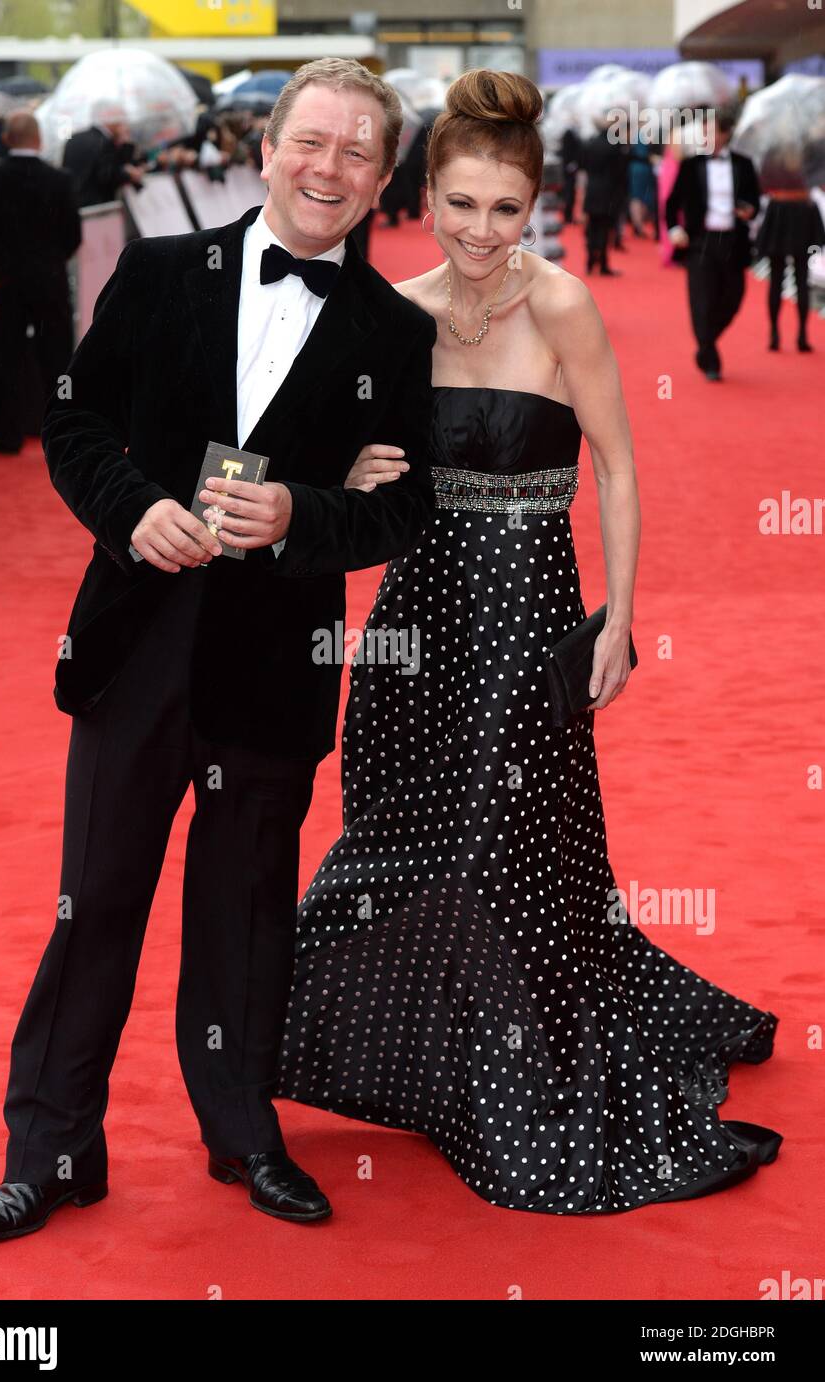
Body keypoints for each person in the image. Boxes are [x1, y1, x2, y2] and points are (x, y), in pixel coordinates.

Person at [275, 69, 782, 1214]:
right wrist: (349, 471)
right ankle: (382, 1053)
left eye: (504, 210)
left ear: (536, 206)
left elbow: (616, 465)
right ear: (427, 195)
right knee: (397, 832)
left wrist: (623, 617)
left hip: (527, 614)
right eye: (459, 205)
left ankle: (523, 1069)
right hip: (418, 615)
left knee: (507, 844)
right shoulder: (393, 313)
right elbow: (342, 469)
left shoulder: (560, 307)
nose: (479, 232)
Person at [0, 58, 436, 1241]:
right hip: (141, 637)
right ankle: (51, 1147)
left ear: (380, 180)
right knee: (96, 896)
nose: (328, 168)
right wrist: (130, 508)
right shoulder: (162, 272)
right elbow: (73, 416)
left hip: (275, 662)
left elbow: (403, 507)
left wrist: (303, 517)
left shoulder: (392, 331)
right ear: (265, 148)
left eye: (355, 153)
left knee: (248, 909)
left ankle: (243, 1132)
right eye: (309, 142)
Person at [0, 110, 82, 455]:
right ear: (39, 139)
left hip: (6, 280)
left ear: (7, 139)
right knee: (58, 359)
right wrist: (51, 262)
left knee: (5, 356)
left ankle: (8, 436)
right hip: (50, 280)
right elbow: (73, 236)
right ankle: (63, 435)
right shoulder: (60, 179)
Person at [665, 106, 761, 381]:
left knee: (734, 297)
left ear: (725, 133)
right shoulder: (691, 164)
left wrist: (749, 211)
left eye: (711, 131)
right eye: (703, 131)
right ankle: (709, 357)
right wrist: (674, 229)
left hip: (733, 240)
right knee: (702, 301)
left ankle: (706, 341)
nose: (705, 135)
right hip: (700, 241)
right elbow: (671, 204)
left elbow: (754, 200)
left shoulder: (744, 164)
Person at [755, 151, 823, 352]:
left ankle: (775, 332)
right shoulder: (809, 152)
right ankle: (801, 333)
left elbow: (763, 184)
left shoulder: (773, 153)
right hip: (803, 211)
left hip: (780, 212)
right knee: (801, 278)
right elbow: (821, 183)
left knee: (777, 277)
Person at [61, 99, 144, 208]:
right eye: (120, 119)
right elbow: (107, 175)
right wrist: (128, 174)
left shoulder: (74, 138)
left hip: (74, 203)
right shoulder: (104, 141)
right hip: (99, 205)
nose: (123, 123)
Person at [580, 116, 628, 275]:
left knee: (592, 227)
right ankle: (602, 264)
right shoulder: (614, 146)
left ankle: (590, 261)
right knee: (605, 228)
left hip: (592, 190)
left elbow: (583, 165)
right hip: (609, 192)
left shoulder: (590, 143)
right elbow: (620, 172)